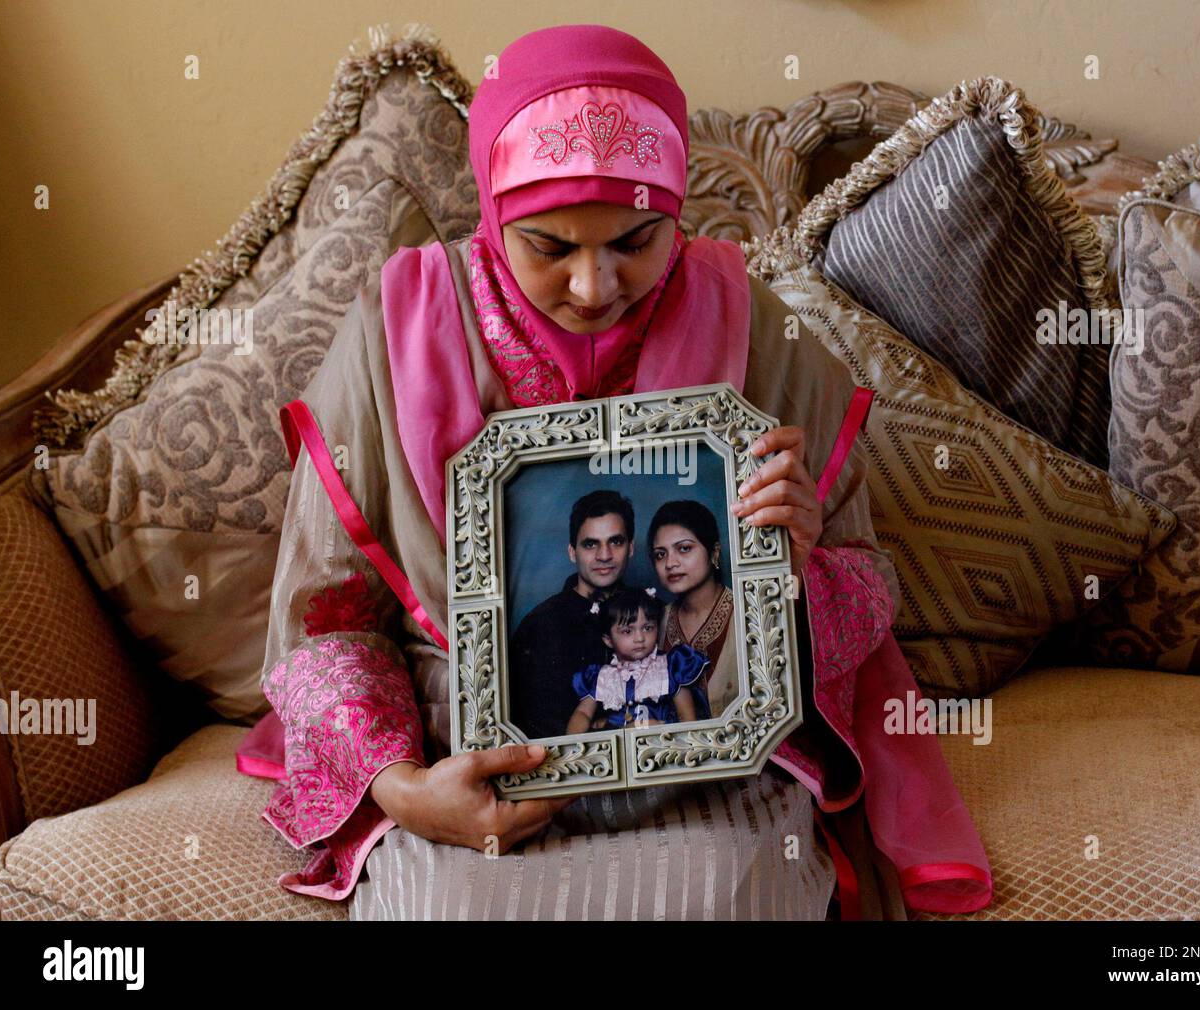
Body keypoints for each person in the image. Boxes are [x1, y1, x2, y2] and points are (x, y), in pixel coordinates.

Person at [234, 23, 992, 919]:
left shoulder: (747, 322)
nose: (596, 287)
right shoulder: (395, 329)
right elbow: (327, 613)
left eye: (636, 240)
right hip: (465, 763)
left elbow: (863, 588)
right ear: (491, 211)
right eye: (550, 247)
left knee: (733, 894)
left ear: (677, 211)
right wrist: (405, 791)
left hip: (706, 754)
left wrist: (794, 557)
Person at [508, 490, 633, 739]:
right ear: (572, 552)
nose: (604, 555)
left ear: (631, 548)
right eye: (591, 544)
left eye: (615, 542)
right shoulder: (539, 626)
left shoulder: (653, 613)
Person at [567, 586, 709, 732]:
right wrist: (574, 746)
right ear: (608, 640)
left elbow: (688, 719)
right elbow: (582, 713)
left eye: (647, 628)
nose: (640, 638)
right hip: (619, 746)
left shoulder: (670, 667)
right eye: (627, 631)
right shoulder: (601, 676)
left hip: (663, 741)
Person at [648, 500, 738, 716]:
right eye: (661, 554)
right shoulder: (655, 622)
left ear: (714, 553)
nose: (670, 563)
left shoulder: (746, 612)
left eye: (684, 549)